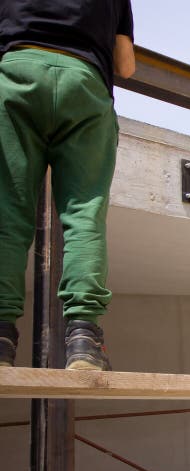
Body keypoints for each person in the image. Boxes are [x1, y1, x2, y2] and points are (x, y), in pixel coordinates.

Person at [0, 0, 136, 371]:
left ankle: (1, 339)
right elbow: (125, 64)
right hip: (85, 83)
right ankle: (83, 340)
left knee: (8, 214)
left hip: (16, 75)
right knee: (84, 216)